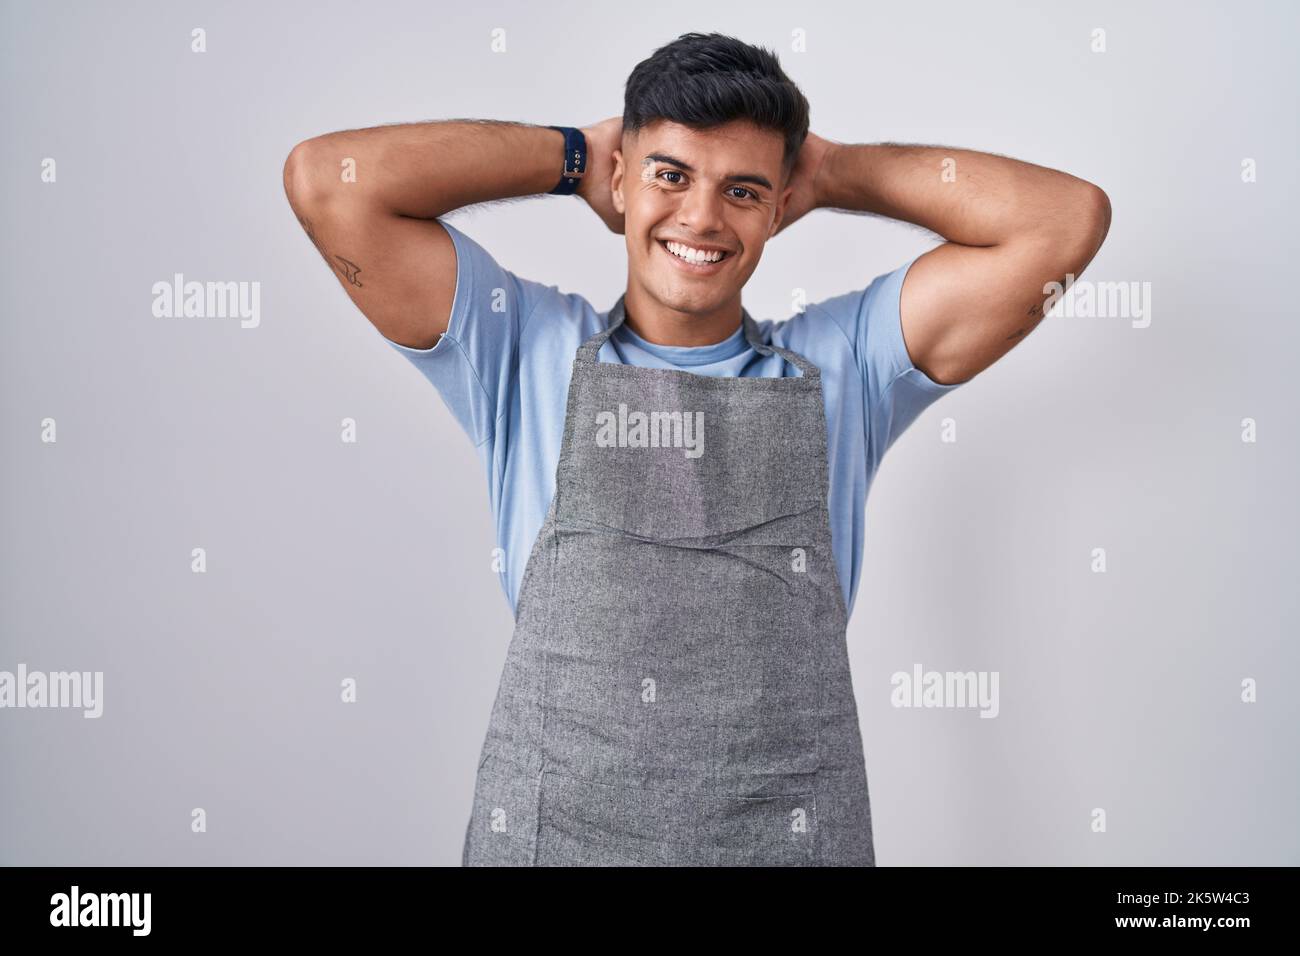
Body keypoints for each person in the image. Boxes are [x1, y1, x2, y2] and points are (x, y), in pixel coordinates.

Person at [282, 31, 1110, 866]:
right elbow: (328, 184)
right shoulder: (520, 345)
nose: (702, 217)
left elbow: (1063, 222)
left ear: (780, 208)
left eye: (744, 191)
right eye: (669, 175)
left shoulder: (847, 362)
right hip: (551, 836)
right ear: (621, 180)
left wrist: (828, 171)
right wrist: (571, 156)